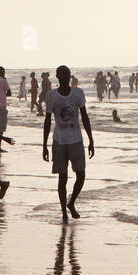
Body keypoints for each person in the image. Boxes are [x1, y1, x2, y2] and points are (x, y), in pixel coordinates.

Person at [42, 65, 94, 223]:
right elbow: (47, 120)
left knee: (81, 175)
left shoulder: (78, 93)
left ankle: (71, 203)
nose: (65, 77)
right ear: (57, 76)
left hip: (76, 140)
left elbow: (85, 117)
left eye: (67, 74)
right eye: (62, 74)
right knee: (62, 177)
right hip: (59, 141)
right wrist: (44, 145)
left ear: (70, 76)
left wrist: (91, 140)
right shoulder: (52, 95)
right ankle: (64, 211)